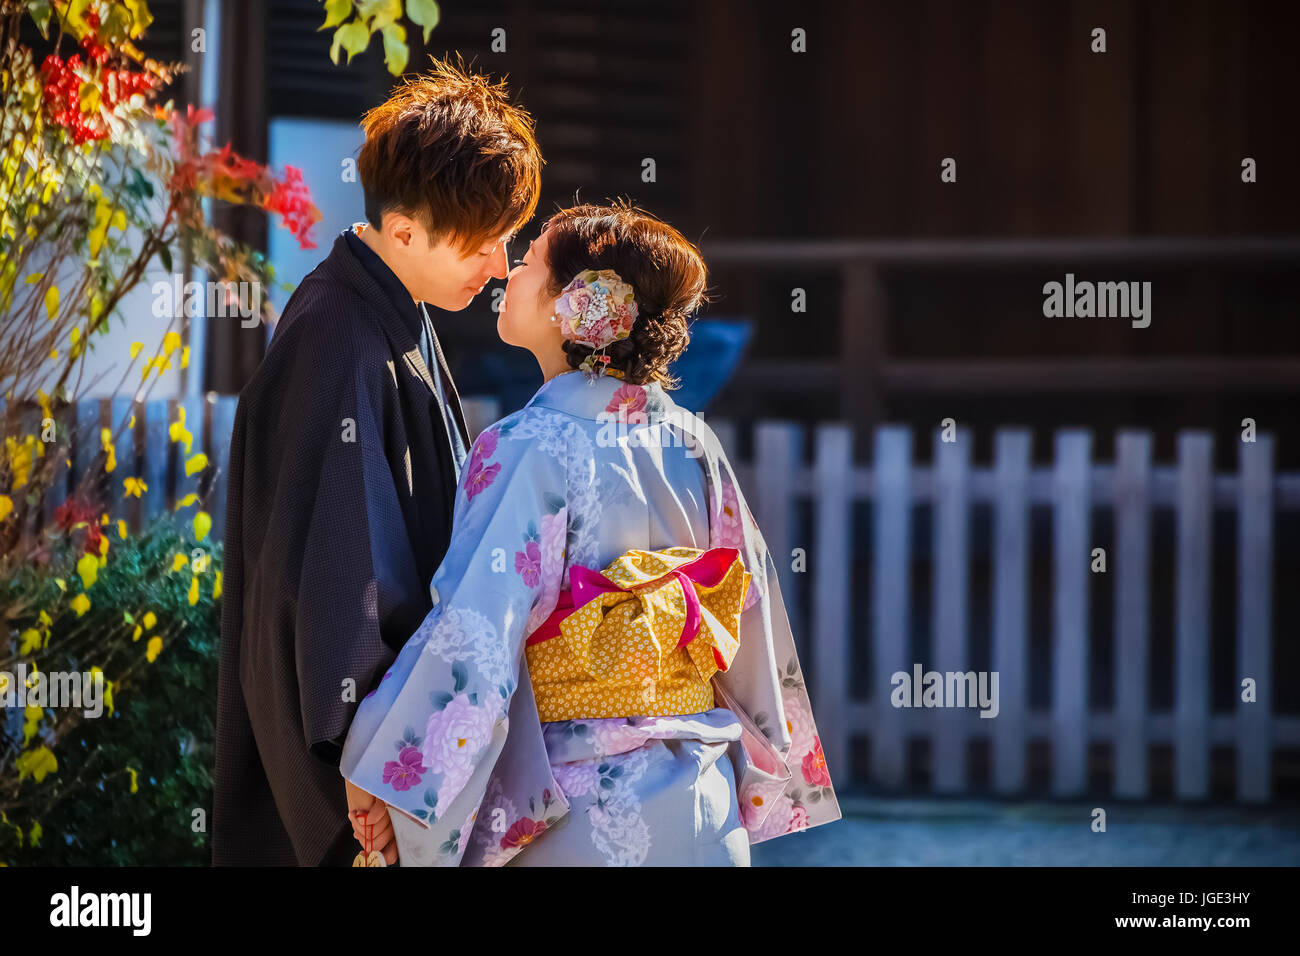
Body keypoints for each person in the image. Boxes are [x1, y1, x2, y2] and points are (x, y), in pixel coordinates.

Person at [339, 201, 841, 866]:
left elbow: (475, 635)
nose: (507, 274)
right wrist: (773, 781)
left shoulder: (525, 446)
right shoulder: (694, 442)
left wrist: (381, 769)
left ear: (577, 308)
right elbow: (748, 615)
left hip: (584, 818)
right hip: (703, 805)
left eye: (526, 263)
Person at [212, 59, 544, 866]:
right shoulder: (340, 339)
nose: (501, 267)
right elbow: (338, 589)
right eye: (486, 242)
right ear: (404, 231)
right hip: (349, 798)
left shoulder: (385, 311)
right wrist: (374, 784)